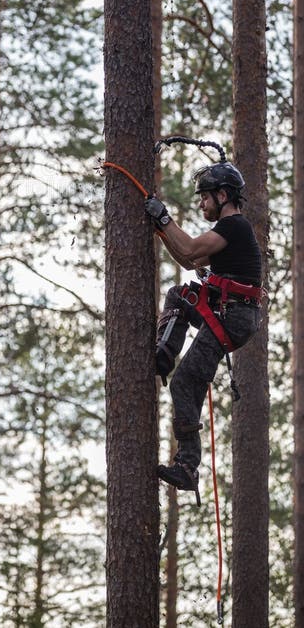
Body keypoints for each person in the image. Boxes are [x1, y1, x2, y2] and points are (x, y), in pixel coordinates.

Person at [144, 162, 263, 504]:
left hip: (233, 317)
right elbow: (187, 260)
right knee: (179, 295)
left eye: (205, 198)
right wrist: (161, 228)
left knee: (185, 383)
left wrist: (164, 218)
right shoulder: (230, 230)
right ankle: (163, 356)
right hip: (230, 313)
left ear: (222, 195)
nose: (200, 204)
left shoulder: (234, 225)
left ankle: (187, 466)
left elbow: (191, 249)